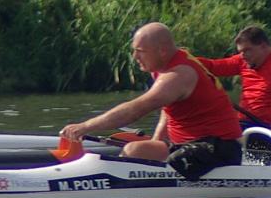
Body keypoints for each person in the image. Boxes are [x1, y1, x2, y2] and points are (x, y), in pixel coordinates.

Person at [59, 22, 243, 179]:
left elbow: (135, 110)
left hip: (218, 148)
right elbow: (168, 106)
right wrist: (157, 140)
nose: (135, 57)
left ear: (162, 51)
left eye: (140, 51)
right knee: (135, 150)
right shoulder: (163, 66)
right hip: (191, 145)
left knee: (142, 157)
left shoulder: (177, 75)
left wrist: (85, 126)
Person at [198, 26, 271, 141]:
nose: (243, 56)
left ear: (264, 46)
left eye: (247, 50)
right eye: (240, 52)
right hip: (245, 129)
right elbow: (213, 66)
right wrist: (186, 59)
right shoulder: (242, 61)